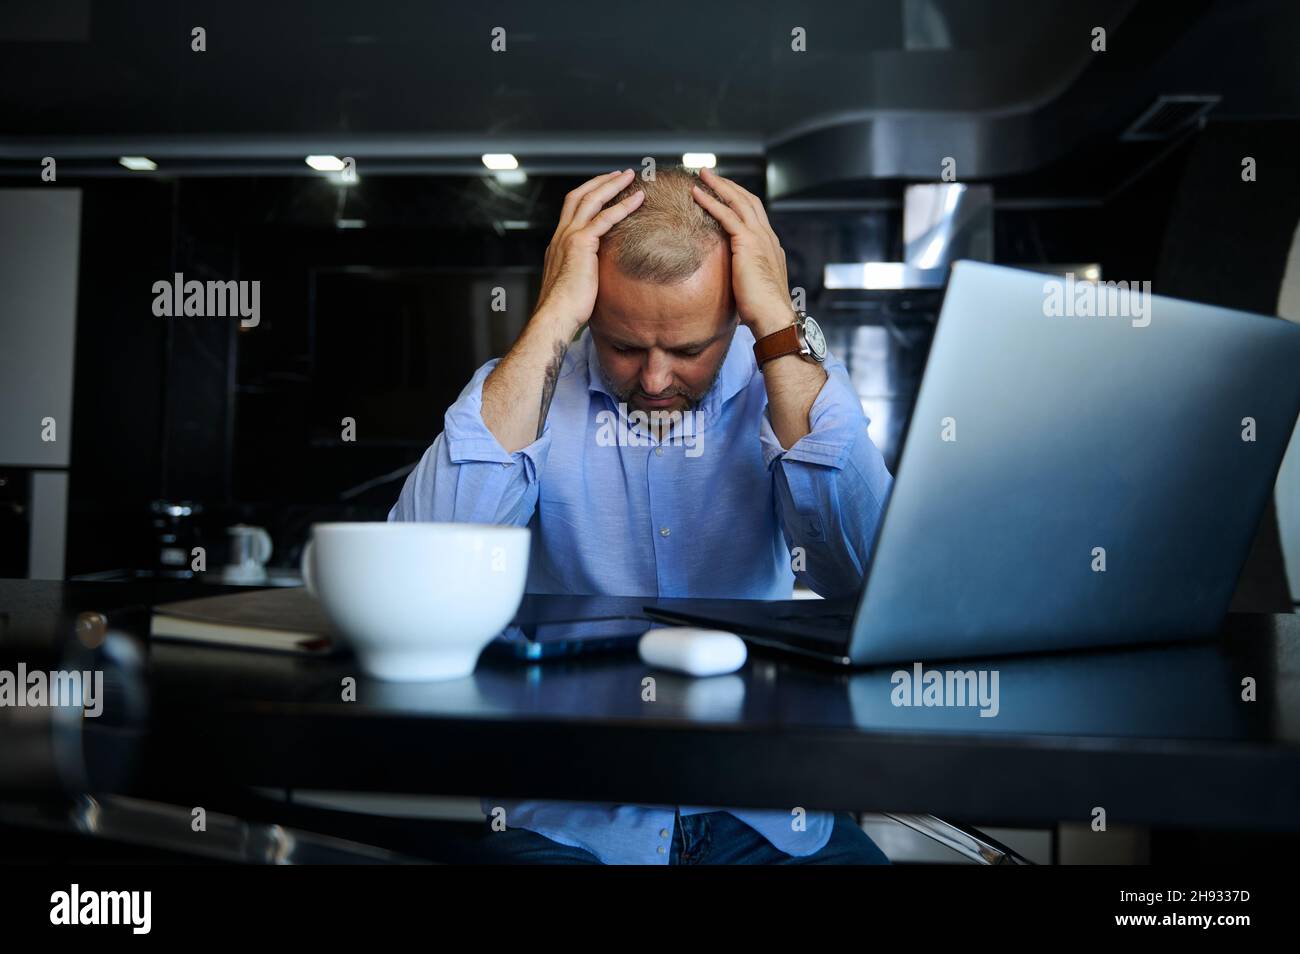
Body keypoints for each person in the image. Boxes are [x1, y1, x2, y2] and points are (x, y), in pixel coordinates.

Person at [390, 165, 894, 864]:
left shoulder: (788, 380)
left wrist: (779, 323)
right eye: (624, 345)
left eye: (689, 349)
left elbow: (869, 577)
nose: (655, 381)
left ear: (735, 317)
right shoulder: (524, 388)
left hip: (766, 809)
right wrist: (550, 324)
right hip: (571, 815)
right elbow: (413, 583)